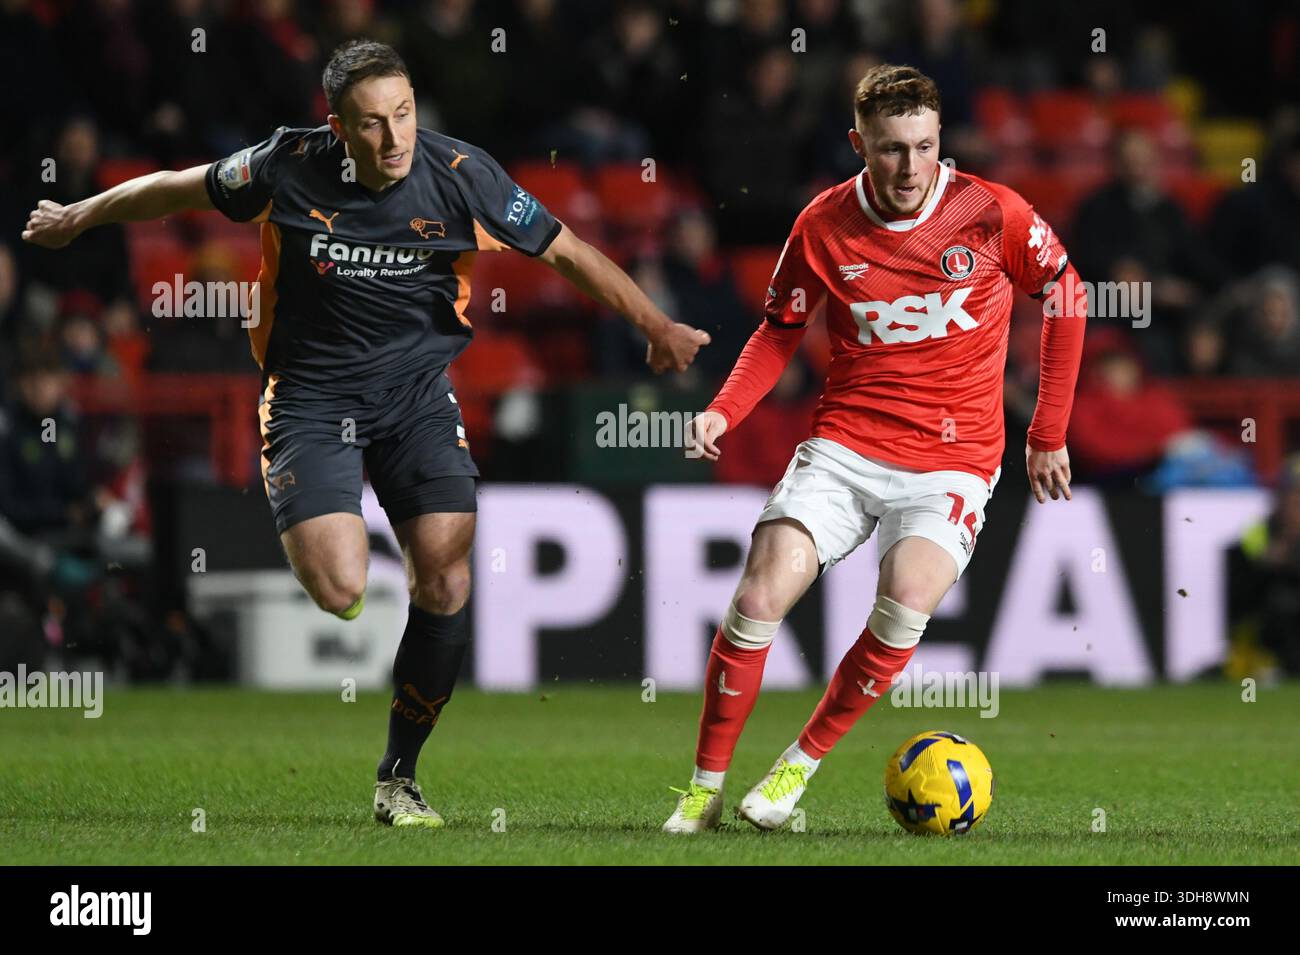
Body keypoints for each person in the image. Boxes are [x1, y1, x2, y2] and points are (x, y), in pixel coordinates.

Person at [23, 39, 709, 830]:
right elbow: (180, 189)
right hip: (310, 396)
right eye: (373, 125)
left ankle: (399, 776)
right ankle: (331, 546)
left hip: (417, 396)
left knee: (448, 580)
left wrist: (655, 325)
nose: (394, 139)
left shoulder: (461, 175)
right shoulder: (287, 164)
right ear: (338, 128)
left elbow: (567, 251)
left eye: (404, 114)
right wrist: (81, 213)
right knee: (342, 586)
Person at [664, 64, 1085, 833]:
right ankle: (702, 789)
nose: (910, 168)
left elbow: (1067, 294)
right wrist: (726, 408)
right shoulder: (822, 225)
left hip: (954, 460)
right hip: (846, 447)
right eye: (891, 149)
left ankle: (796, 767)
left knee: (905, 600)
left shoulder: (992, 213)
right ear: (859, 143)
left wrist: (1047, 431)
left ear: (940, 142)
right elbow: (780, 329)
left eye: (924, 147)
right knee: (757, 599)